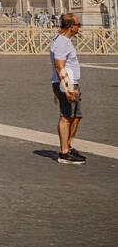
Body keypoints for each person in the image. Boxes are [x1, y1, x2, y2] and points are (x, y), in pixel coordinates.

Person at [51, 14, 86, 164]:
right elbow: (60, 66)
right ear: (71, 26)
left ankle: (68, 146)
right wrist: (68, 88)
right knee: (66, 117)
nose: (80, 26)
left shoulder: (63, 40)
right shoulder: (62, 42)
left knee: (76, 115)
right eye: (78, 24)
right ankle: (64, 152)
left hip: (71, 82)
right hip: (66, 84)